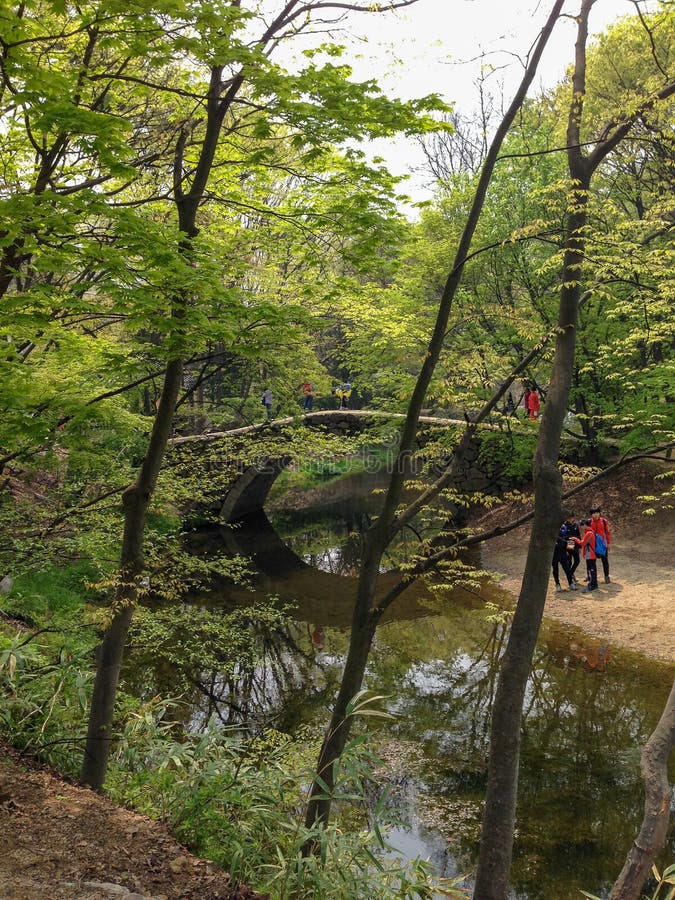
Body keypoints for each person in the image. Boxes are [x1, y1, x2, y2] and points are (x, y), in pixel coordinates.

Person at [552, 519, 578, 594]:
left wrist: (570, 549)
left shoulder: (565, 528)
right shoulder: (551, 531)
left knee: (567, 569)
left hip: (563, 553)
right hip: (554, 554)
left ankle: (571, 583)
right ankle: (557, 584)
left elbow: (570, 542)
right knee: (555, 569)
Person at [574, 519, 599, 593]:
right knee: (591, 568)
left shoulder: (589, 533)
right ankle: (593, 583)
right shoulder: (591, 531)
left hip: (590, 554)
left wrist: (575, 539)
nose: (581, 527)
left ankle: (592, 585)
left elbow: (582, 543)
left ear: (585, 525)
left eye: (581, 525)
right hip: (590, 553)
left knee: (592, 569)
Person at [589, 506, 611, 583]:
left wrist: (608, 543)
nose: (596, 514)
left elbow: (607, 533)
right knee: (591, 562)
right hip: (592, 545)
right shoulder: (588, 522)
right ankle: (592, 577)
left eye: (597, 513)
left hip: (602, 545)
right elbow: (586, 534)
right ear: (591, 514)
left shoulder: (604, 521)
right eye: (594, 513)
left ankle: (606, 576)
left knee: (605, 560)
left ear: (600, 513)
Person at [561, 512, 581, 582]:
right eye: (568, 518)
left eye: (571, 517)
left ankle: (570, 574)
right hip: (569, 544)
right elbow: (563, 538)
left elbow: (579, 536)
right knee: (569, 562)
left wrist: (579, 546)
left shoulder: (575, 525)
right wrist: (565, 549)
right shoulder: (564, 525)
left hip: (575, 544)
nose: (570, 519)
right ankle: (570, 577)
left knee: (577, 561)